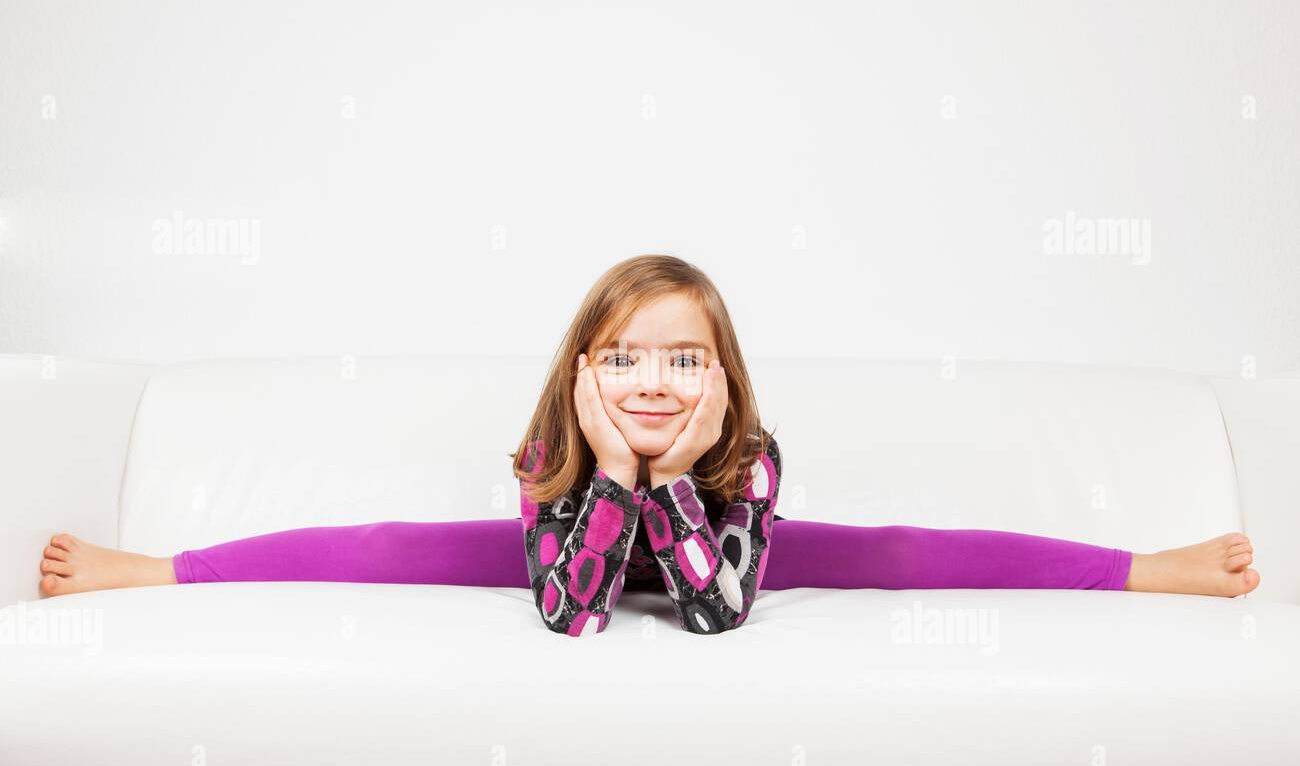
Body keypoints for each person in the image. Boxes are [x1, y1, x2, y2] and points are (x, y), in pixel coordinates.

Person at [36, 255, 1261, 636]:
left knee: (896, 549)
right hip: (583, 536)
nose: (653, 382)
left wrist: (674, 478)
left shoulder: (748, 456)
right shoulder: (550, 453)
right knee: (387, 544)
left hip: (719, 545)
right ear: (583, 374)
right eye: (623, 359)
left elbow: (716, 612)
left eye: (682, 359)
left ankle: (1143, 566)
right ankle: (154, 567)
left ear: (719, 377)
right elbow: (572, 615)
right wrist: (611, 469)